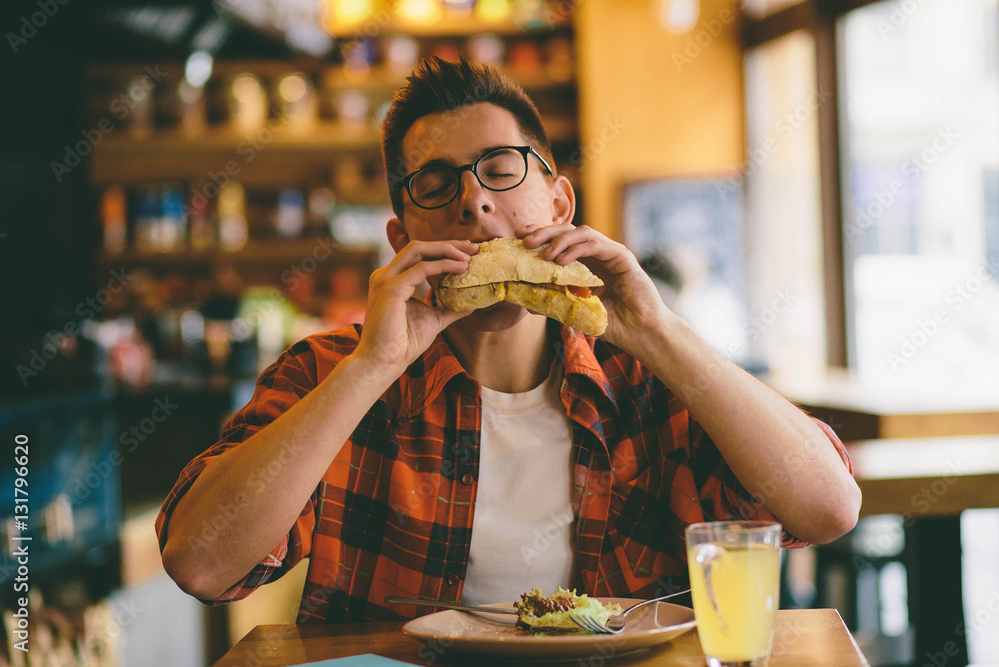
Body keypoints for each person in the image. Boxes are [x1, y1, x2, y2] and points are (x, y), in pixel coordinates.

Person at [156, 57, 861, 623]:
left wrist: (661, 331)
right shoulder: (333, 371)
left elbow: (828, 507)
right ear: (402, 239)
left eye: (500, 169)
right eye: (436, 184)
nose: (475, 202)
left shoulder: (647, 375)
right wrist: (372, 367)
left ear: (558, 203)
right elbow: (201, 563)